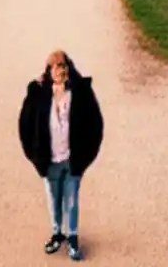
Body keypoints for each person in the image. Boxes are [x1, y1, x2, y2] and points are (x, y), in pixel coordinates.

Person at [17, 50, 104, 261]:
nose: (60, 70)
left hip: (72, 160)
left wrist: (85, 158)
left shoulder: (80, 93)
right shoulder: (38, 94)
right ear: (48, 71)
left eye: (63, 66)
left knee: (71, 200)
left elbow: (95, 125)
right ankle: (57, 233)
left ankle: (72, 237)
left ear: (68, 68)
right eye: (56, 67)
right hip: (49, 161)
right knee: (54, 200)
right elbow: (25, 125)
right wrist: (35, 156)